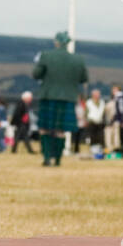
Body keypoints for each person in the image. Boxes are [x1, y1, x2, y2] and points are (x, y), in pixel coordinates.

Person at [33, 32, 87, 166]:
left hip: (49, 96)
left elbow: (36, 74)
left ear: (56, 42)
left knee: (45, 128)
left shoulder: (46, 56)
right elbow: (83, 78)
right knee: (60, 131)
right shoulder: (78, 59)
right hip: (68, 98)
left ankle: (46, 158)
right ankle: (57, 160)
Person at [111, 84, 123, 156]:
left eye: (114, 90)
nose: (112, 91)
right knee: (122, 137)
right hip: (122, 121)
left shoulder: (120, 98)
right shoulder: (118, 98)